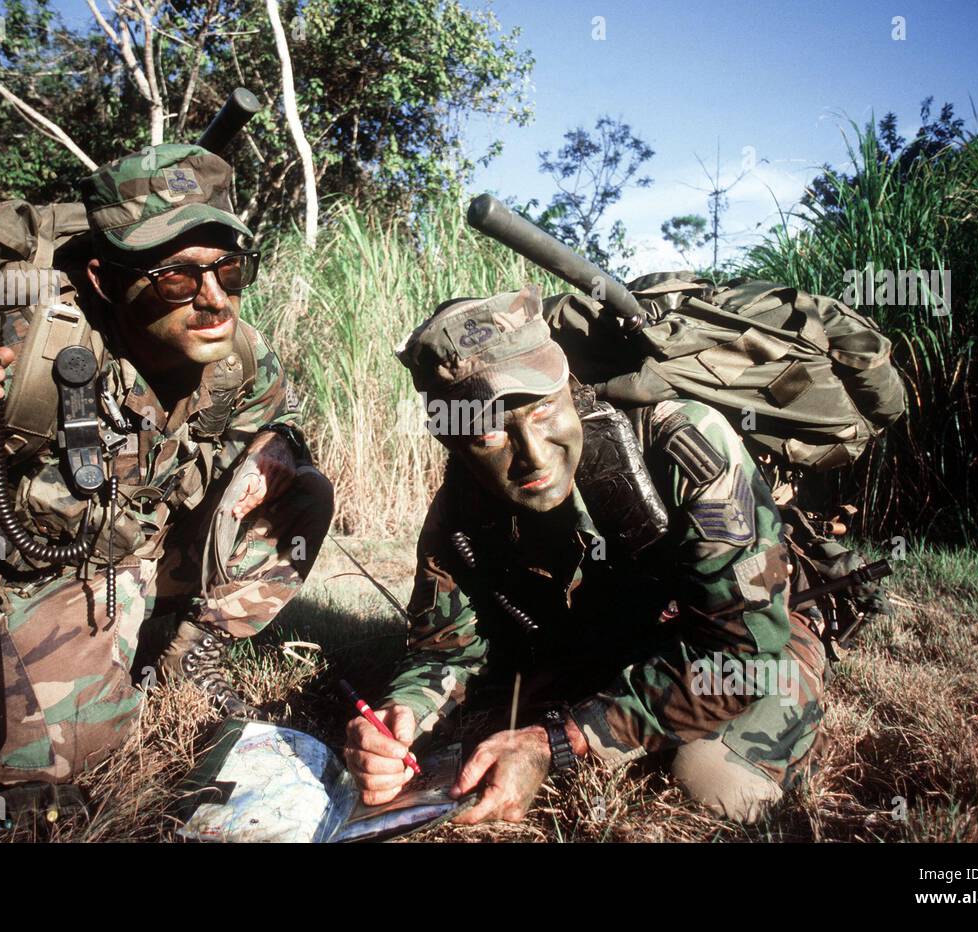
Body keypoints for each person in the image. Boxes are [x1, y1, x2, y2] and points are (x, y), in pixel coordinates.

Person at [0, 144, 334, 785]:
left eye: (229, 271)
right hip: (33, 578)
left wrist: (277, 452)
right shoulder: (26, 345)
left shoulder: (238, 358)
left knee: (303, 489)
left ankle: (186, 651)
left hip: (142, 554)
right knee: (68, 756)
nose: (214, 300)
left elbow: (259, 434)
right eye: (177, 276)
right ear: (104, 279)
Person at [343, 286, 825, 825]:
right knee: (474, 735)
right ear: (453, 441)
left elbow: (746, 653)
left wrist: (560, 741)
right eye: (488, 432)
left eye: (543, 406)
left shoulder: (682, 445)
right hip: (607, 645)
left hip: (742, 645)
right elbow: (445, 651)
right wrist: (403, 713)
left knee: (713, 784)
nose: (533, 454)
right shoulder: (460, 508)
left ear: (569, 384)